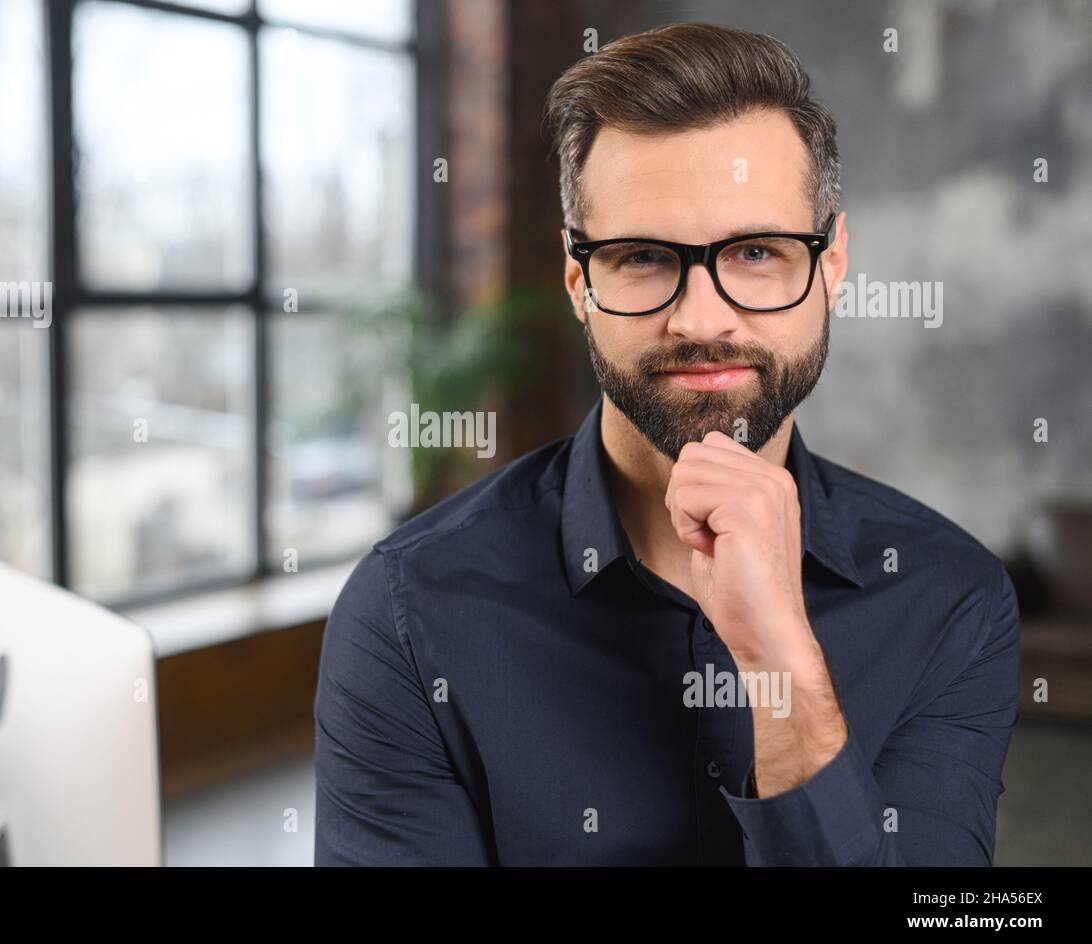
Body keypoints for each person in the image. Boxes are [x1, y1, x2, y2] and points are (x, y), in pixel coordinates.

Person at [314, 22, 1020, 866]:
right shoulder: (407, 614)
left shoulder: (949, 599)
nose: (701, 318)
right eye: (644, 257)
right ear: (582, 283)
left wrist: (780, 663)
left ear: (831, 266)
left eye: (757, 252)